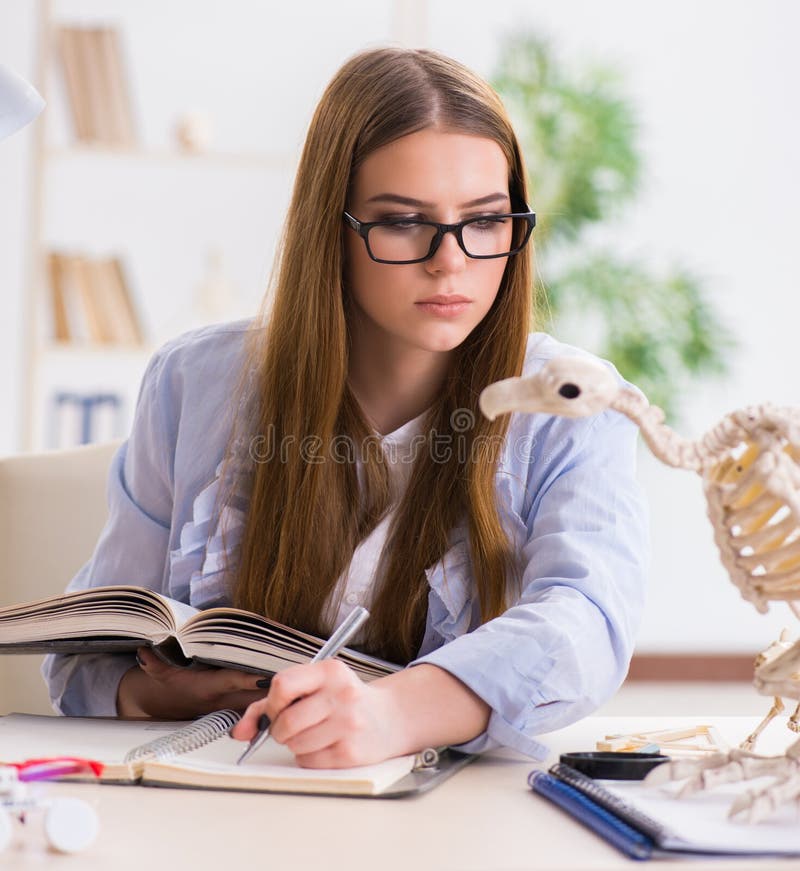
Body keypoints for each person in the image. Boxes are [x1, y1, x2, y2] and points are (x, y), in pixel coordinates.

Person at [43, 47, 648, 769]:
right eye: (402, 222)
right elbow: (86, 657)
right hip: (227, 791)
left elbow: (586, 623)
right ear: (333, 229)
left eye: (485, 221)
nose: (450, 261)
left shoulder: (572, 401)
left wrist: (392, 713)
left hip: (453, 819)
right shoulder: (192, 382)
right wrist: (165, 697)